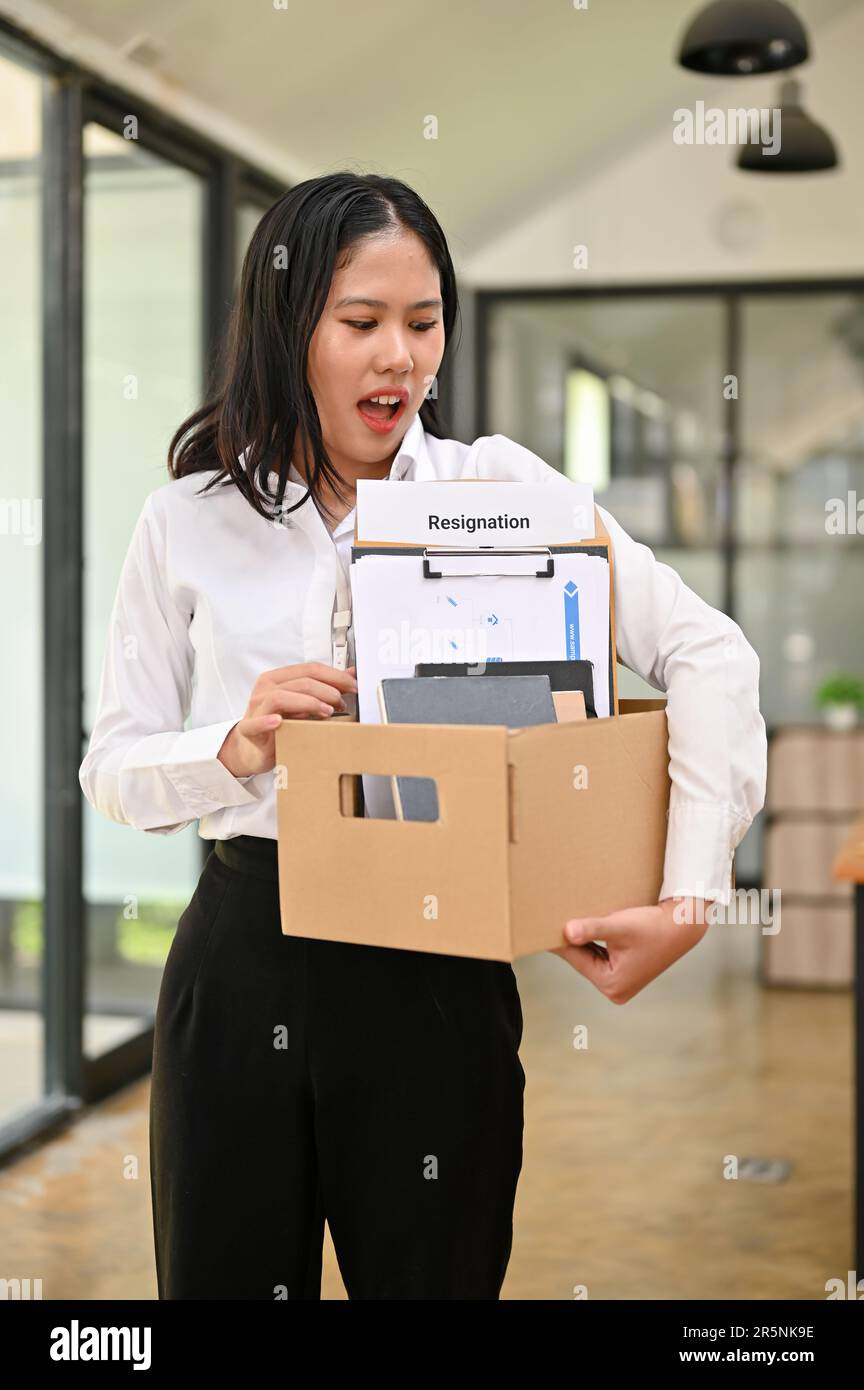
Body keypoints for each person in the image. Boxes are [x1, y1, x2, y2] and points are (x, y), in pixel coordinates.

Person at [78, 171, 766, 1300]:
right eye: (361, 323)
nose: (400, 355)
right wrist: (232, 749)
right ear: (289, 327)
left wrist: (691, 897)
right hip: (243, 963)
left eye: (424, 321)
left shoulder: (503, 490)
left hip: (436, 975)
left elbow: (710, 654)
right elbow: (113, 768)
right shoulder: (187, 521)